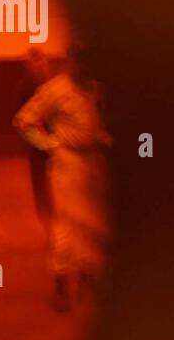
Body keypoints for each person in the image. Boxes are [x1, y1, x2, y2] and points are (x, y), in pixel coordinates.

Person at [13, 45, 111, 311]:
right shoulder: (57, 89)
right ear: (72, 63)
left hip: (94, 161)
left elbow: (98, 122)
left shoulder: (94, 88)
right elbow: (23, 121)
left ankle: (89, 279)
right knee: (66, 224)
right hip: (67, 162)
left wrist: (103, 137)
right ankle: (62, 284)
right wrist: (48, 145)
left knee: (93, 221)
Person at [15, 47, 54, 230]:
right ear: (29, 66)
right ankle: (49, 227)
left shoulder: (55, 85)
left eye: (42, 61)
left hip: (56, 146)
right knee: (42, 191)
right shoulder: (26, 88)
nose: (40, 66)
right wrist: (43, 144)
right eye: (35, 62)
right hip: (41, 148)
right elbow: (23, 122)